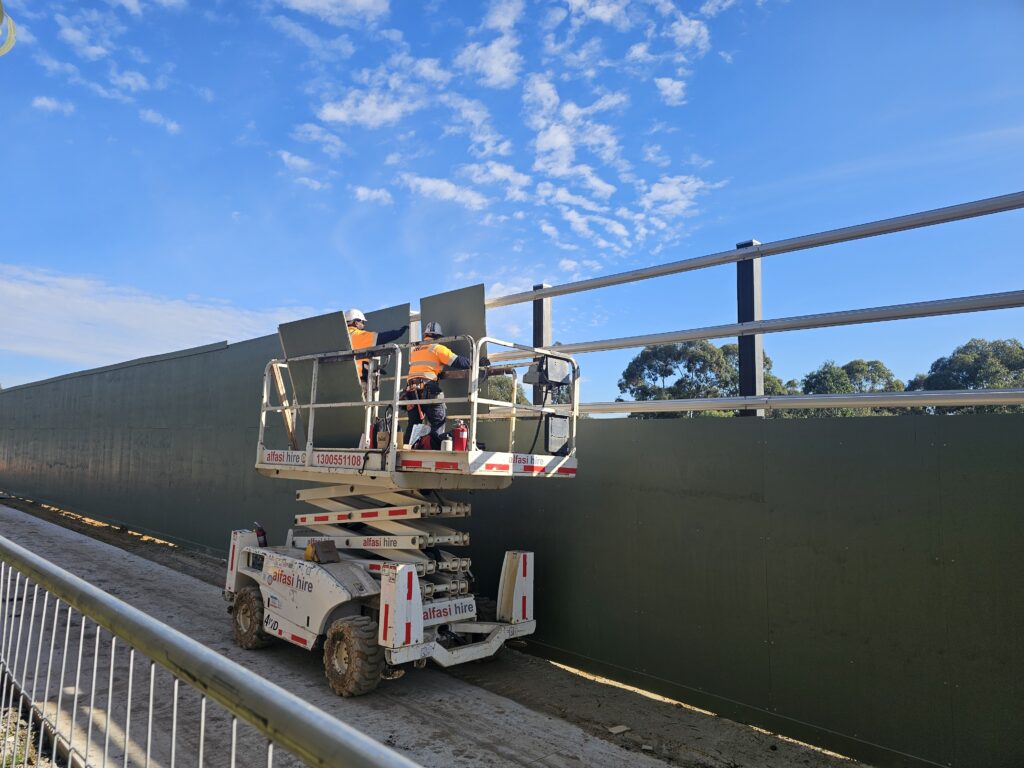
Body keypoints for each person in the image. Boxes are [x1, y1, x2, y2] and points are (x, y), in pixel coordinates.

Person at [402, 321, 487, 450]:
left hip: (411, 391)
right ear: (439, 337)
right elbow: (458, 362)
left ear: (426, 335)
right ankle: (434, 451)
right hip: (428, 389)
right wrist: (477, 362)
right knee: (438, 423)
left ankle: (407, 450)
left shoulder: (415, 349)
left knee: (413, 424)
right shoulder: (437, 348)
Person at [345, 309, 407, 385]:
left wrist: (374, 369)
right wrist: (399, 332)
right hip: (358, 381)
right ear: (356, 322)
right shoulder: (360, 335)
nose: (364, 325)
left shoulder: (340, 337)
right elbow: (383, 337)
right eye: (362, 322)